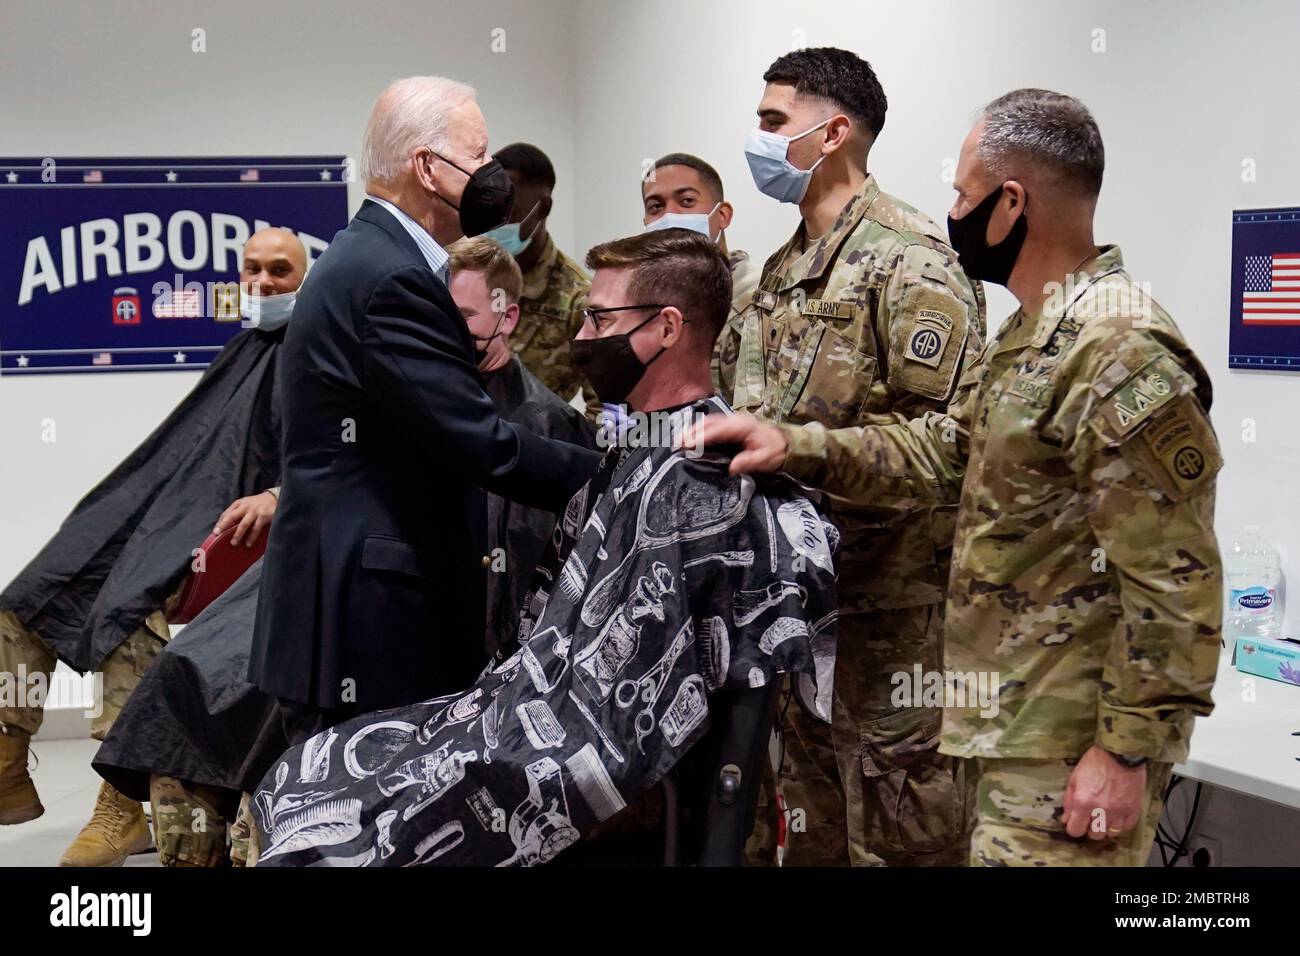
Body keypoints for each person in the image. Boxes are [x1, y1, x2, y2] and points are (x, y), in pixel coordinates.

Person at [684, 89, 1223, 867]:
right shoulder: (1033, 337)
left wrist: (1128, 754)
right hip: (999, 727)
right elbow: (942, 453)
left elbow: (1177, 581)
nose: (953, 212)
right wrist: (794, 444)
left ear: (1011, 206)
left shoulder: (1117, 348)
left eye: (964, 194)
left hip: (1069, 749)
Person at [247, 228, 837, 867]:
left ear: (666, 329)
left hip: (589, 768)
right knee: (310, 771)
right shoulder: (636, 452)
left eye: (600, 318)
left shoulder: (707, 480)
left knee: (345, 829)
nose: (582, 338)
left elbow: (637, 713)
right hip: (530, 711)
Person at [92, 237, 598, 867]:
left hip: (446, 654)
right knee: (190, 675)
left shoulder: (544, 429)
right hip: (352, 606)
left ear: (508, 316)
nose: (444, 333)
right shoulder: (397, 395)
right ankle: (151, 819)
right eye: (435, 317)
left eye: (463, 318)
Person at [247, 75, 600, 752]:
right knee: (364, 830)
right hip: (370, 618)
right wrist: (618, 473)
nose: (494, 176)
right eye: (480, 154)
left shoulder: (371, 258)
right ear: (429, 169)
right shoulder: (391, 278)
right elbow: (482, 443)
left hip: (349, 605)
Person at [730, 47, 985, 867]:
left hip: (894, 634)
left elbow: (952, 445)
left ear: (832, 132)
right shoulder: (781, 270)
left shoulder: (912, 262)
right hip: (801, 617)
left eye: (774, 122)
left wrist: (799, 449)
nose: (758, 138)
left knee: (901, 846)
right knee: (807, 838)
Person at [0, 227, 305, 866]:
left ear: (308, 279)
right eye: (251, 270)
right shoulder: (243, 349)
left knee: (130, 608)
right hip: (171, 514)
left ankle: (121, 805)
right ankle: (6, 755)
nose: (263, 283)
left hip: (238, 537)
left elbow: (325, 457)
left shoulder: (315, 353)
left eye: (281, 270)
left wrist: (278, 493)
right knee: (29, 594)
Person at [483, 142, 598, 418]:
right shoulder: (471, 276)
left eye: (508, 207)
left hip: (537, 449)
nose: (495, 220)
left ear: (543, 208)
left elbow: (604, 408)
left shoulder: (578, 297)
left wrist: (562, 454)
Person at [640, 152, 760, 400]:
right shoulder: (643, 307)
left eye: (686, 201)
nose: (669, 215)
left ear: (723, 215)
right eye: (656, 207)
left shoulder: (758, 296)